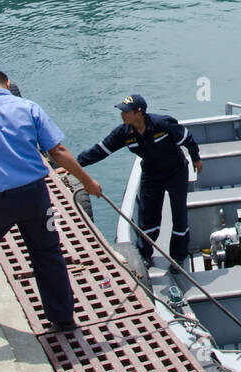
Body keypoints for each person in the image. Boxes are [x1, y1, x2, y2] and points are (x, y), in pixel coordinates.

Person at [0, 66, 101, 328]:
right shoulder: (30, 108)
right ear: (7, 83)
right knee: (47, 252)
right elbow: (58, 151)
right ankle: (62, 317)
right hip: (37, 197)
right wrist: (88, 181)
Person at [76, 94, 203, 271]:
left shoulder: (162, 124)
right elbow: (100, 150)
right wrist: (74, 165)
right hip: (151, 175)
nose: (122, 115)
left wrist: (196, 159)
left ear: (139, 113)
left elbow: (187, 139)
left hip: (176, 172)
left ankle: (178, 257)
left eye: (126, 112)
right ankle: (145, 254)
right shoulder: (124, 133)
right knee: (148, 217)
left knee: (179, 215)